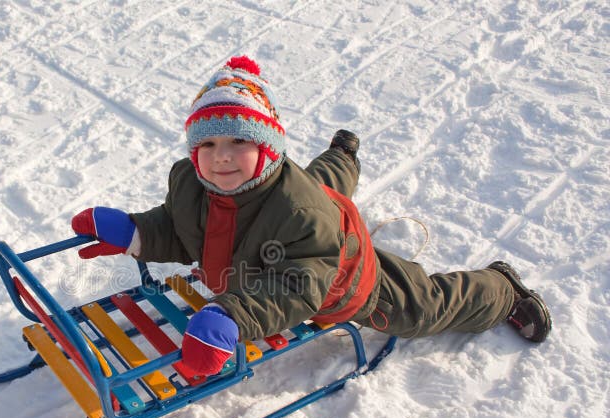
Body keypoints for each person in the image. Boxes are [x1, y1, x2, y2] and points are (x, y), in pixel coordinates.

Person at [71, 56, 551, 376]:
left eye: (239, 141)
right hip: (291, 221)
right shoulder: (191, 182)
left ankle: (501, 289)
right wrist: (134, 232)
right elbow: (180, 228)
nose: (221, 158)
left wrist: (231, 315)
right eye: (209, 144)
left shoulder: (299, 212)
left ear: (268, 148)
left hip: (339, 277)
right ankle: (343, 155)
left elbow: (296, 288)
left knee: (420, 308)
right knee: (322, 183)